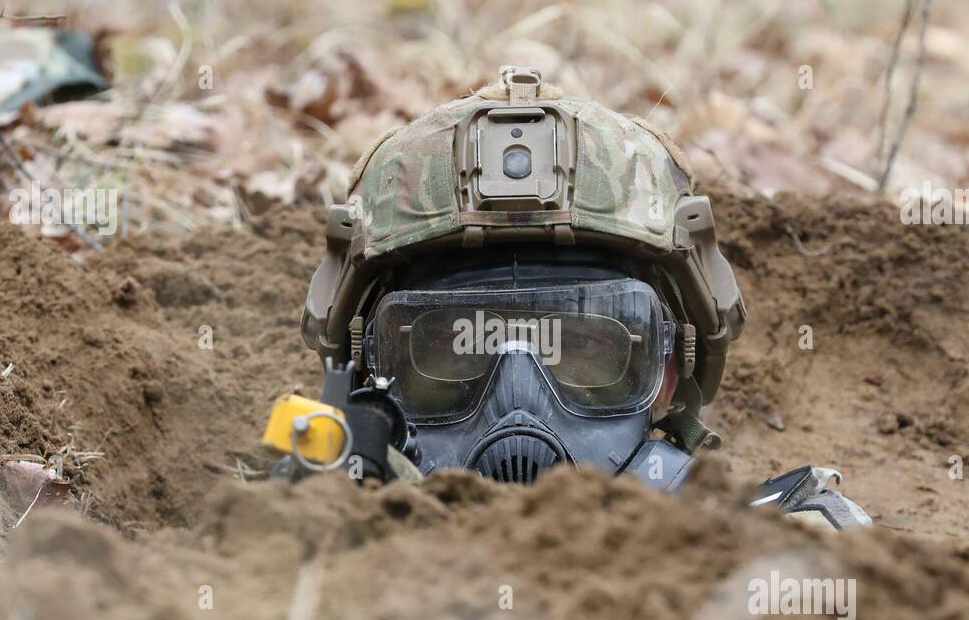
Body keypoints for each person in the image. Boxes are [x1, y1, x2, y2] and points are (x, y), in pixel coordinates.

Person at [296, 67, 870, 527]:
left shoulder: (778, 560)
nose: (519, 408)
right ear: (368, 377)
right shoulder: (290, 540)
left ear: (668, 376)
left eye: (584, 349)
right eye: (452, 350)